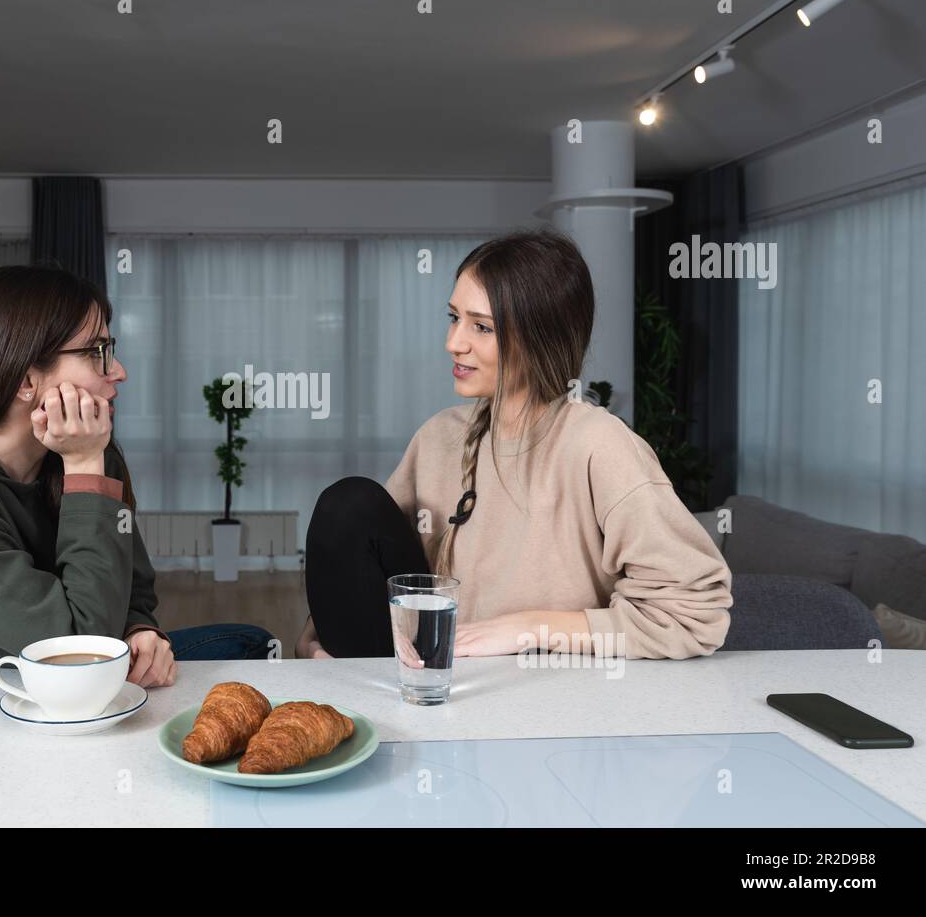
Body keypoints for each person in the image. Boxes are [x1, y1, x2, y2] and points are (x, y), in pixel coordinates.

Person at [297, 228, 732, 661]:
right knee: (348, 501)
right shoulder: (438, 436)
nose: (454, 343)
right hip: (427, 674)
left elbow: (695, 615)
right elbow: (358, 554)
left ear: (542, 338)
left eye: (481, 327)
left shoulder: (600, 445)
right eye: (454, 318)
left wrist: (527, 628)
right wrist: (318, 638)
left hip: (543, 691)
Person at [0, 264, 274, 682]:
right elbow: (80, 648)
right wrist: (83, 469)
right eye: (98, 353)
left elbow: (133, 588)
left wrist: (140, 630)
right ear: (26, 380)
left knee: (249, 642)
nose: (118, 371)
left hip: (74, 674)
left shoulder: (85, 448)